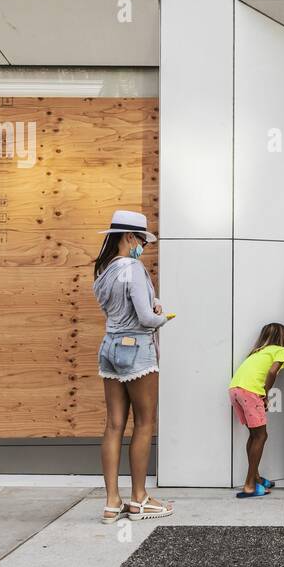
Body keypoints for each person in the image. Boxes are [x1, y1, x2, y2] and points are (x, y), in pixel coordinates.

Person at [92, 209, 173, 523]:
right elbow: (145, 317)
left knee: (114, 425)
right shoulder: (134, 268)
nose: (144, 246)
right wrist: (162, 316)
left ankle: (112, 502)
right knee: (144, 423)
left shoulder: (105, 269)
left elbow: (116, 310)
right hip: (137, 349)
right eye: (142, 240)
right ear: (129, 237)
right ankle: (139, 499)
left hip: (109, 346)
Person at [229, 323, 284, 499]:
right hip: (250, 391)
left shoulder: (257, 352)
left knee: (254, 435)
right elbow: (272, 371)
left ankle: (255, 477)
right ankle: (249, 485)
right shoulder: (281, 350)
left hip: (235, 389)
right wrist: (265, 393)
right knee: (261, 436)